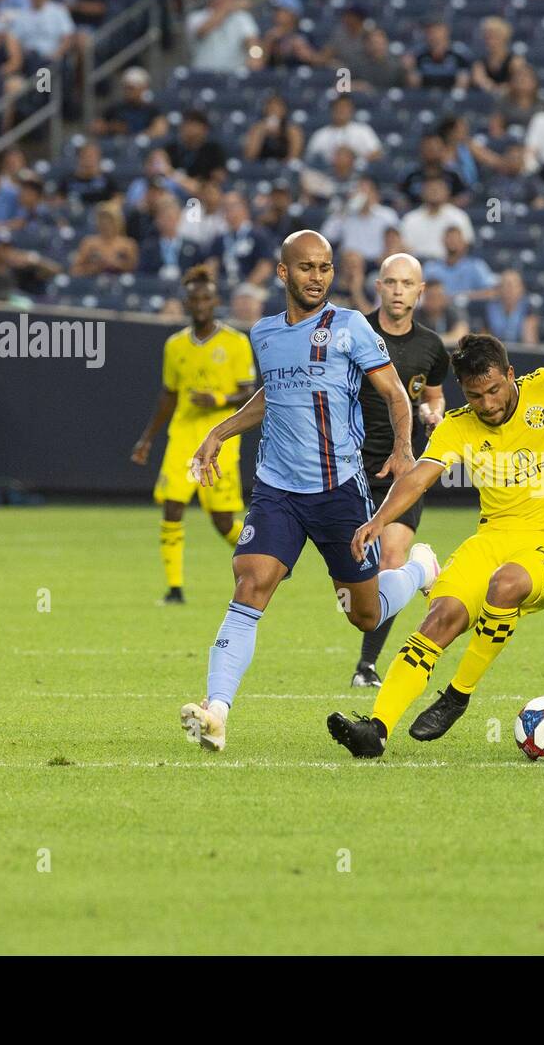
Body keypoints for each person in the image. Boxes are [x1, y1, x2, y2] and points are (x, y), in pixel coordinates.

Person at [181, 231, 438, 752]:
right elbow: (272, 394)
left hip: (339, 490)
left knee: (363, 613)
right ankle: (217, 711)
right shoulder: (265, 333)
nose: (317, 277)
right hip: (277, 489)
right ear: (283, 273)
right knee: (250, 582)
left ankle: (420, 570)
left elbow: (393, 393)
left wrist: (404, 451)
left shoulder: (351, 327)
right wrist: (219, 431)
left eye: (325, 268)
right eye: (307, 268)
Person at [326, 331, 544, 757]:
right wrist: (379, 520)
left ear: (510, 374)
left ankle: (457, 695)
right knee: (440, 616)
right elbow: (418, 475)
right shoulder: (457, 425)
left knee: (504, 585)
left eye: (493, 390)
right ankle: (376, 730)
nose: (487, 404)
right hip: (493, 538)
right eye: (475, 396)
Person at [349, 253, 450, 687]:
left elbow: (434, 396)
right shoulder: (355, 332)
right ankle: (421, 571)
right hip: (350, 466)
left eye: (406, 284)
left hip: (403, 469)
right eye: (390, 282)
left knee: (390, 558)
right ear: (379, 286)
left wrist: (434, 413)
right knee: (352, 571)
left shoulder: (431, 347)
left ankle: (366, 666)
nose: (397, 291)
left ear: (419, 291)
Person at [131, 263, 256, 604]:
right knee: (171, 507)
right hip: (183, 436)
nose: (200, 304)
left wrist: (217, 398)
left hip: (221, 437)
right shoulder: (175, 346)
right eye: (194, 300)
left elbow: (250, 391)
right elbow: (168, 395)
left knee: (221, 521)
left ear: (215, 303)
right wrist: (147, 439)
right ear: (186, 304)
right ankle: (174, 589)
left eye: (206, 299)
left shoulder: (236, 343)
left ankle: (264, 555)